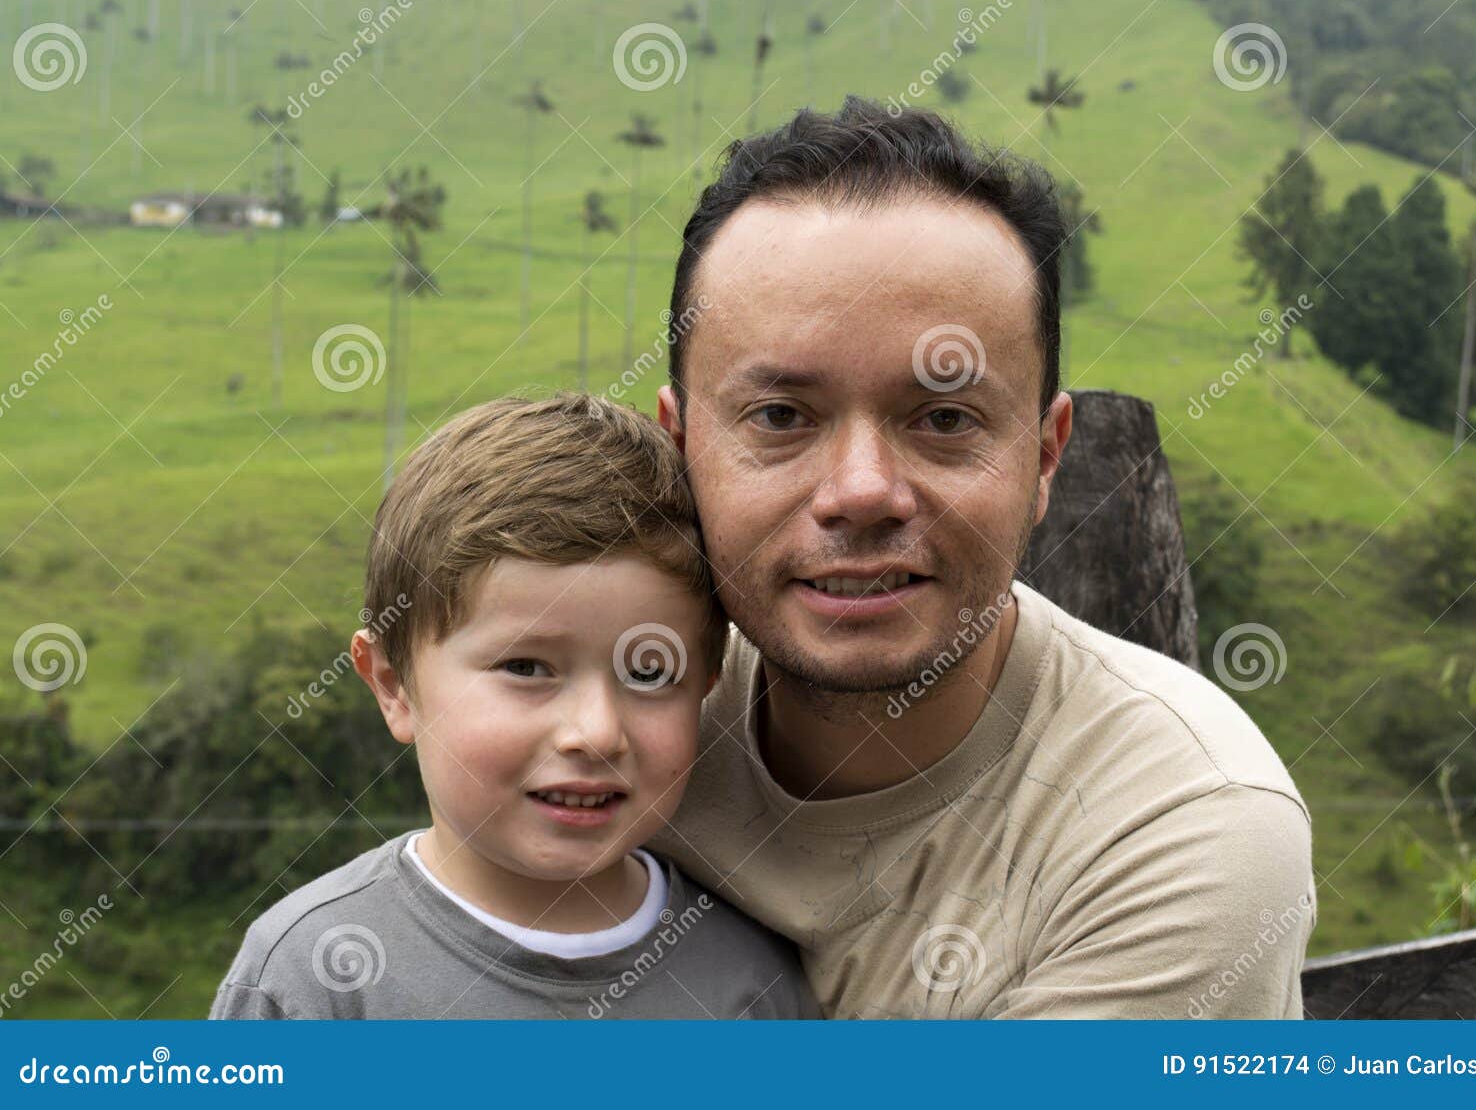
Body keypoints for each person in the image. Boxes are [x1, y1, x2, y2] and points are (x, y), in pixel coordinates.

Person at [649, 97, 1316, 1018]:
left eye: (944, 419)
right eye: (780, 416)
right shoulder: (596, 713)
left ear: (1044, 456)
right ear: (681, 445)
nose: (862, 491)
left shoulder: (1180, 827)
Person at [211, 394, 818, 1019]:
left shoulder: (754, 983)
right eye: (526, 668)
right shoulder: (311, 980)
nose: (596, 733)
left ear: (707, 685)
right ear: (394, 686)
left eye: (649, 673)